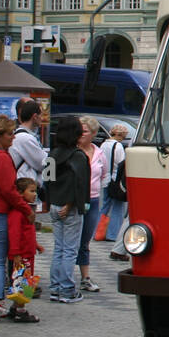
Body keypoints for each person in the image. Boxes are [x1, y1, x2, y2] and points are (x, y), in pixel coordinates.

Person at [0, 115, 36, 324]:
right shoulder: (0, 158)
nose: (13, 138)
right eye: (10, 134)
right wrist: (25, 209)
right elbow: (8, 190)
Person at [45, 116, 90, 303]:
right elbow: (80, 184)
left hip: (54, 205)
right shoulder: (78, 156)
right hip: (69, 207)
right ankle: (67, 290)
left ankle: (54, 288)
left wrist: (52, 203)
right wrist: (71, 204)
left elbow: (46, 180)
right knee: (70, 250)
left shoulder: (52, 154)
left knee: (58, 249)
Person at [76, 116, 104, 292]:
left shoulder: (100, 153)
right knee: (71, 241)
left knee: (85, 240)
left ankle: (85, 277)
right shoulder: (73, 151)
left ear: (93, 134)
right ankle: (63, 279)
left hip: (93, 199)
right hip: (75, 199)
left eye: (85, 131)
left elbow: (105, 174)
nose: (81, 134)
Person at [9, 99, 47, 212]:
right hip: (25, 191)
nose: (42, 118)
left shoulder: (22, 135)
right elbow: (44, 164)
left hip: (25, 190)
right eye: (41, 115)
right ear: (34, 116)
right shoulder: (25, 138)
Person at [98, 124, 130, 260]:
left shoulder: (103, 145)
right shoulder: (118, 147)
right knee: (118, 208)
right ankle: (112, 234)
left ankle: (98, 232)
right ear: (120, 134)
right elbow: (122, 164)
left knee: (104, 206)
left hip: (105, 179)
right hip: (115, 181)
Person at [9, 177, 43, 279]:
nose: (35, 194)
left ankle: (26, 292)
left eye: (35, 191)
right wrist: (15, 253)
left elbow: (28, 232)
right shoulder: (17, 213)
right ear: (20, 193)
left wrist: (35, 245)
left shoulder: (27, 211)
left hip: (28, 252)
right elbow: (14, 233)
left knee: (27, 277)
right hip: (21, 254)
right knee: (19, 279)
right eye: (31, 191)